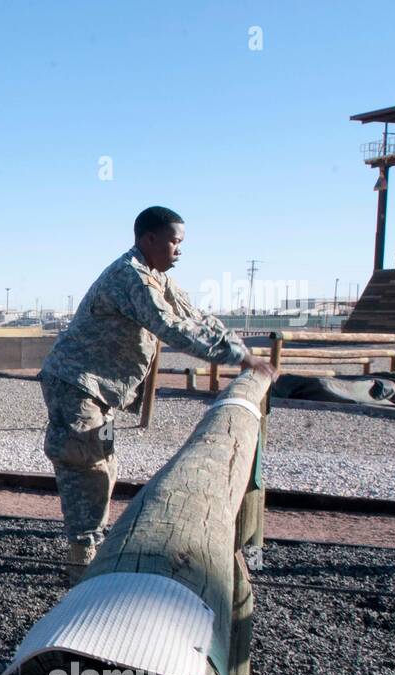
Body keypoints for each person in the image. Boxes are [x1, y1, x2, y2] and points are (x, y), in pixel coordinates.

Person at [39, 206, 277, 583]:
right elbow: (169, 327)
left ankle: (91, 544)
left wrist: (236, 347)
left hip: (102, 394)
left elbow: (192, 316)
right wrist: (239, 357)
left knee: (105, 460)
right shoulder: (130, 276)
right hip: (77, 386)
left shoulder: (155, 277)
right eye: (174, 241)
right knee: (86, 464)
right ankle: (81, 561)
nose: (179, 250)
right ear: (149, 239)